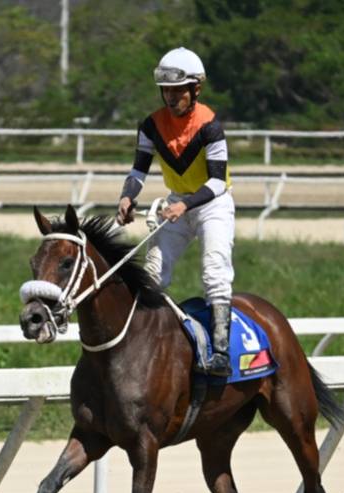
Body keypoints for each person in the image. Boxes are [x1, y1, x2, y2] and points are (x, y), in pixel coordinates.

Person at [116, 47, 235, 377]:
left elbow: (217, 181)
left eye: (178, 90)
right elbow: (138, 171)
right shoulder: (151, 125)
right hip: (177, 203)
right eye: (166, 90)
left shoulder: (210, 126)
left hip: (212, 204)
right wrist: (127, 197)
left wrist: (185, 204)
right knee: (153, 274)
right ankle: (143, 344)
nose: (171, 97)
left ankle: (221, 353)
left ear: (196, 89)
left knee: (214, 271)